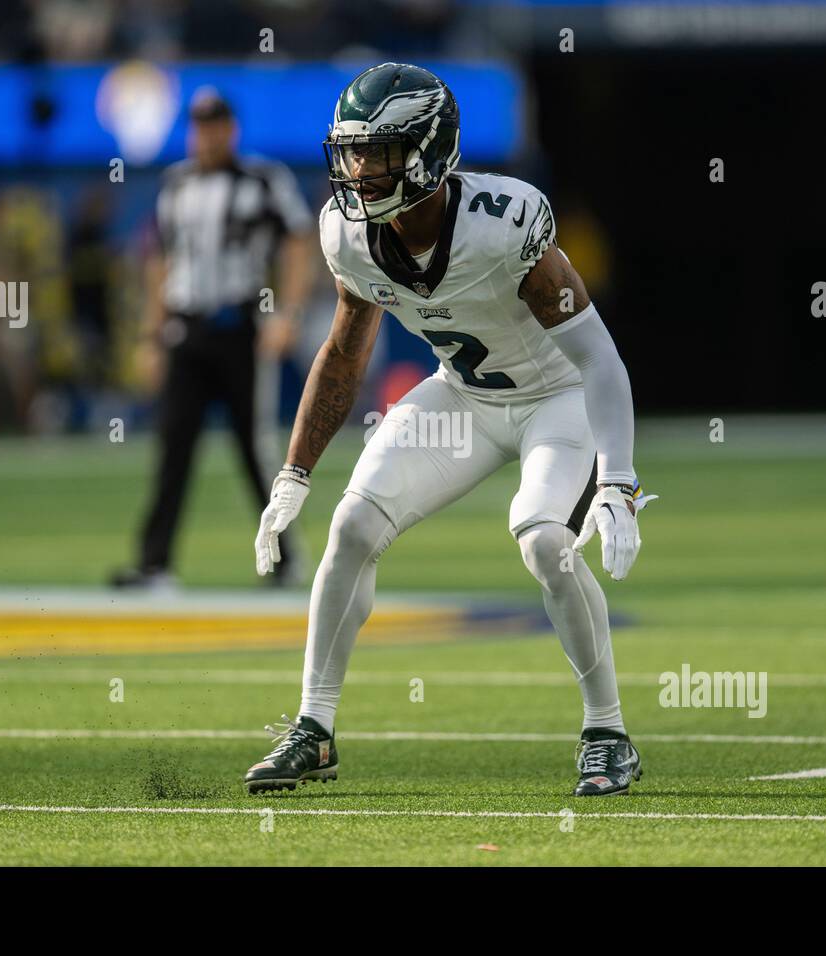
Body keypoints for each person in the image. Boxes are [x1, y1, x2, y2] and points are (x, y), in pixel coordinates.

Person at [243, 63, 656, 797]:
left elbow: (598, 357)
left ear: (431, 153)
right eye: (353, 151)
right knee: (351, 529)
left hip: (556, 399)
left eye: (380, 151)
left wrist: (619, 482)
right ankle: (314, 727)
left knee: (544, 540)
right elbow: (342, 353)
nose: (360, 169)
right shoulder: (349, 235)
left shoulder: (503, 225)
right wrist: (295, 471)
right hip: (463, 398)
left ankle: (607, 731)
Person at [113, 87, 314, 589]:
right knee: (173, 445)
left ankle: (285, 556)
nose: (206, 135)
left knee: (255, 447)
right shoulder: (175, 183)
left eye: (215, 125)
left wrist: (286, 313)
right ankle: (155, 564)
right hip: (186, 328)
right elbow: (160, 260)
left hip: (239, 328)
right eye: (198, 126)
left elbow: (298, 242)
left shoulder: (263, 179)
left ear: (232, 129)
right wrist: (150, 335)